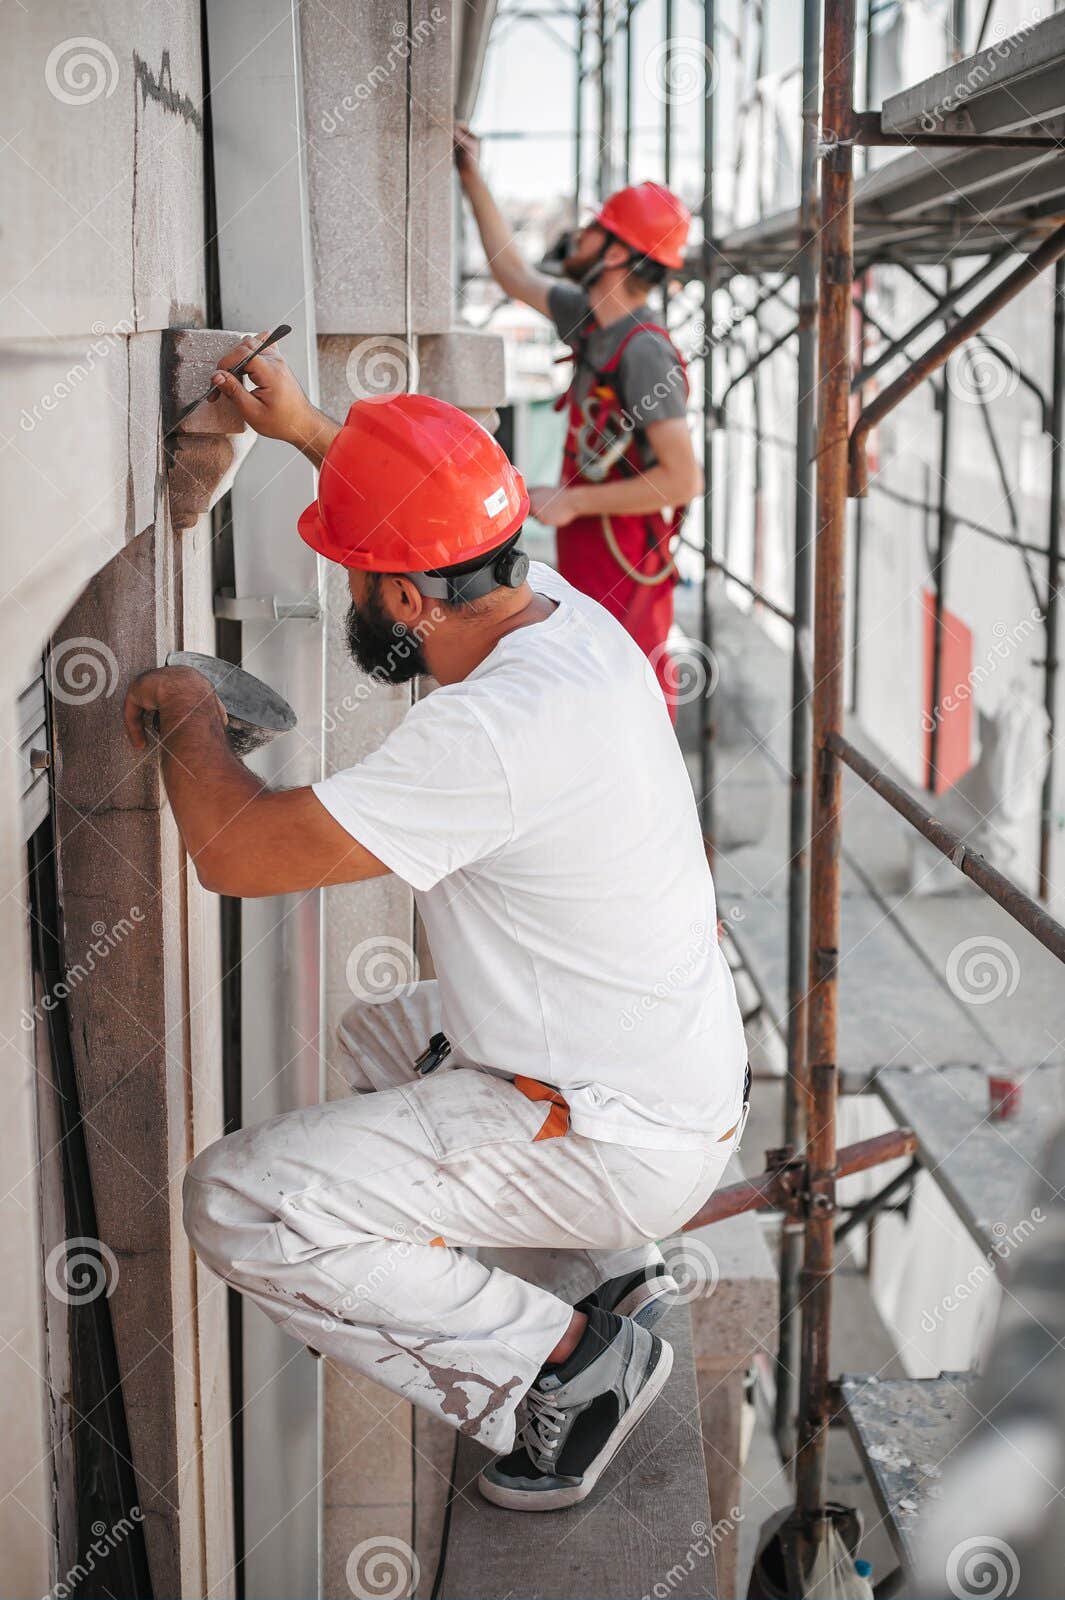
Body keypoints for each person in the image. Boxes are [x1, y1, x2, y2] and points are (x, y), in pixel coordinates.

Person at [124, 338, 748, 1511]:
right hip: (667, 1067)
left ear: (406, 599)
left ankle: (566, 1367)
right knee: (377, 1038)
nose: (350, 593)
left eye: (357, 575)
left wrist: (188, 713)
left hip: (613, 1126)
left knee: (240, 1199)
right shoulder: (560, 612)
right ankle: (607, 1267)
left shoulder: (493, 733)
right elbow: (436, 518)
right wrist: (313, 436)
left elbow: (238, 853)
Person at [455, 124, 700, 719]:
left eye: (594, 230)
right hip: (592, 556)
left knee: (627, 705)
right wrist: (470, 174)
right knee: (591, 693)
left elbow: (682, 480)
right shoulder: (589, 318)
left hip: (627, 568)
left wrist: (574, 502)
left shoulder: (644, 352)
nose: (577, 238)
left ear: (616, 253)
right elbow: (513, 274)